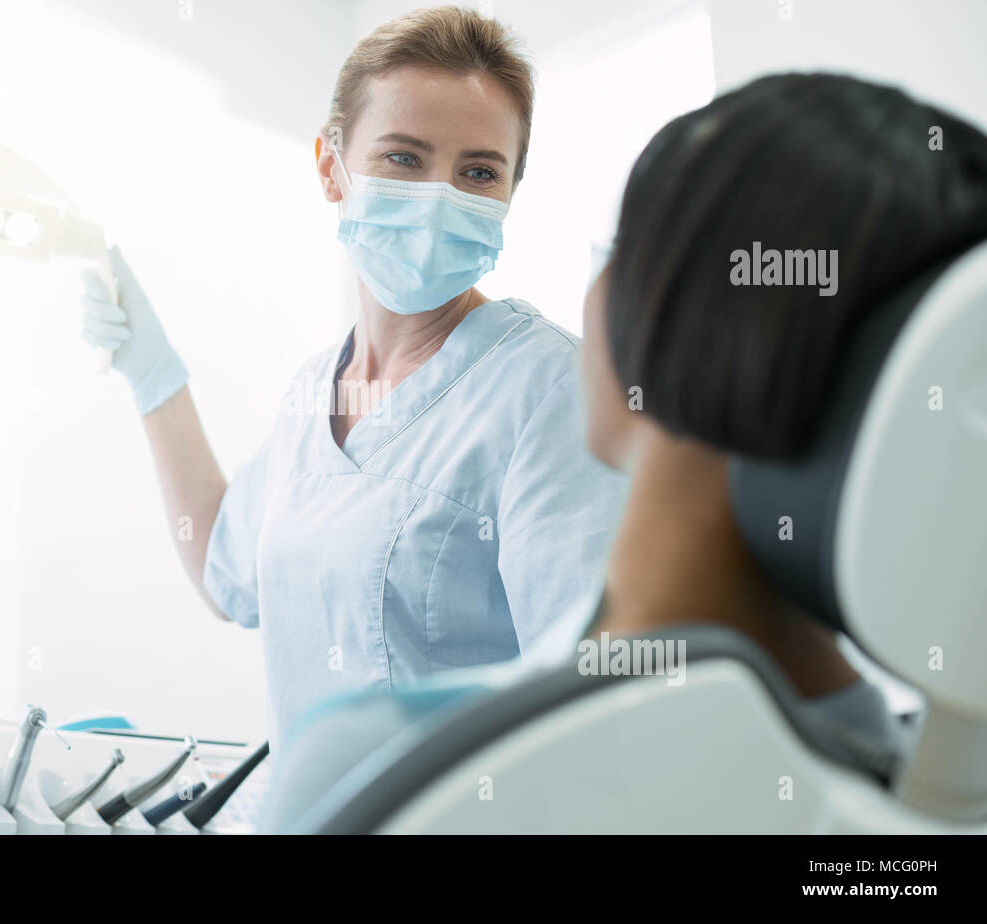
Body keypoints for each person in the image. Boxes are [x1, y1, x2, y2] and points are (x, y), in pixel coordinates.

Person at [257, 72, 987, 825]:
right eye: (405, 159)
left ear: (635, 312)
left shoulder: (377, 762)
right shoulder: (926, 790)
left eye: (621, 247)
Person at [80, 6, 625, 749]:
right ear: (330, 168)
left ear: (508, 194)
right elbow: (226, 570)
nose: (440, 198)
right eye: (403, 158)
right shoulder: (316, 389)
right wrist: (154, 379)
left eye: (477, 172)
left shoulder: (550, 390)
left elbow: (593, 710)